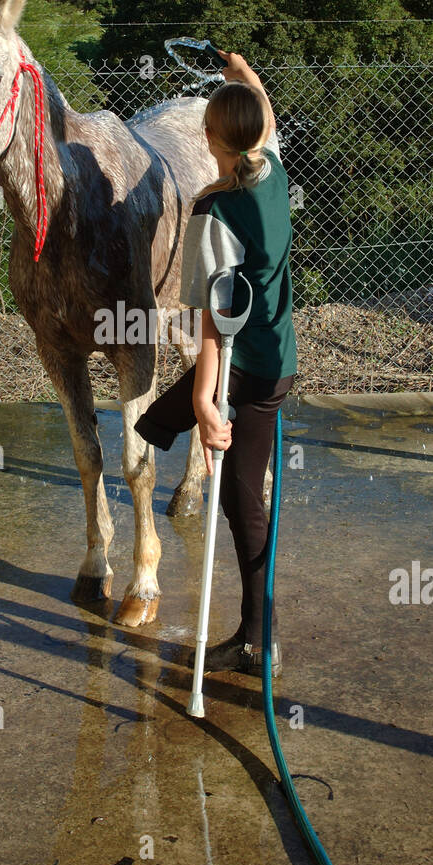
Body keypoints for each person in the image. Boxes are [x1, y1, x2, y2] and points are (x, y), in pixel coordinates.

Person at [135, 50, 297, 677]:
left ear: (209, 141)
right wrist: (243, 74)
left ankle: (258, 643)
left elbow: (212, 324)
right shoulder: (274, 175)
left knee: (241, 505)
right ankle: (160, 428)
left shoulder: (213, 213)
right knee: (155, 423)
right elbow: (266, 121)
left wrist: (206, 405)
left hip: (249, 373)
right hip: (278, 354)